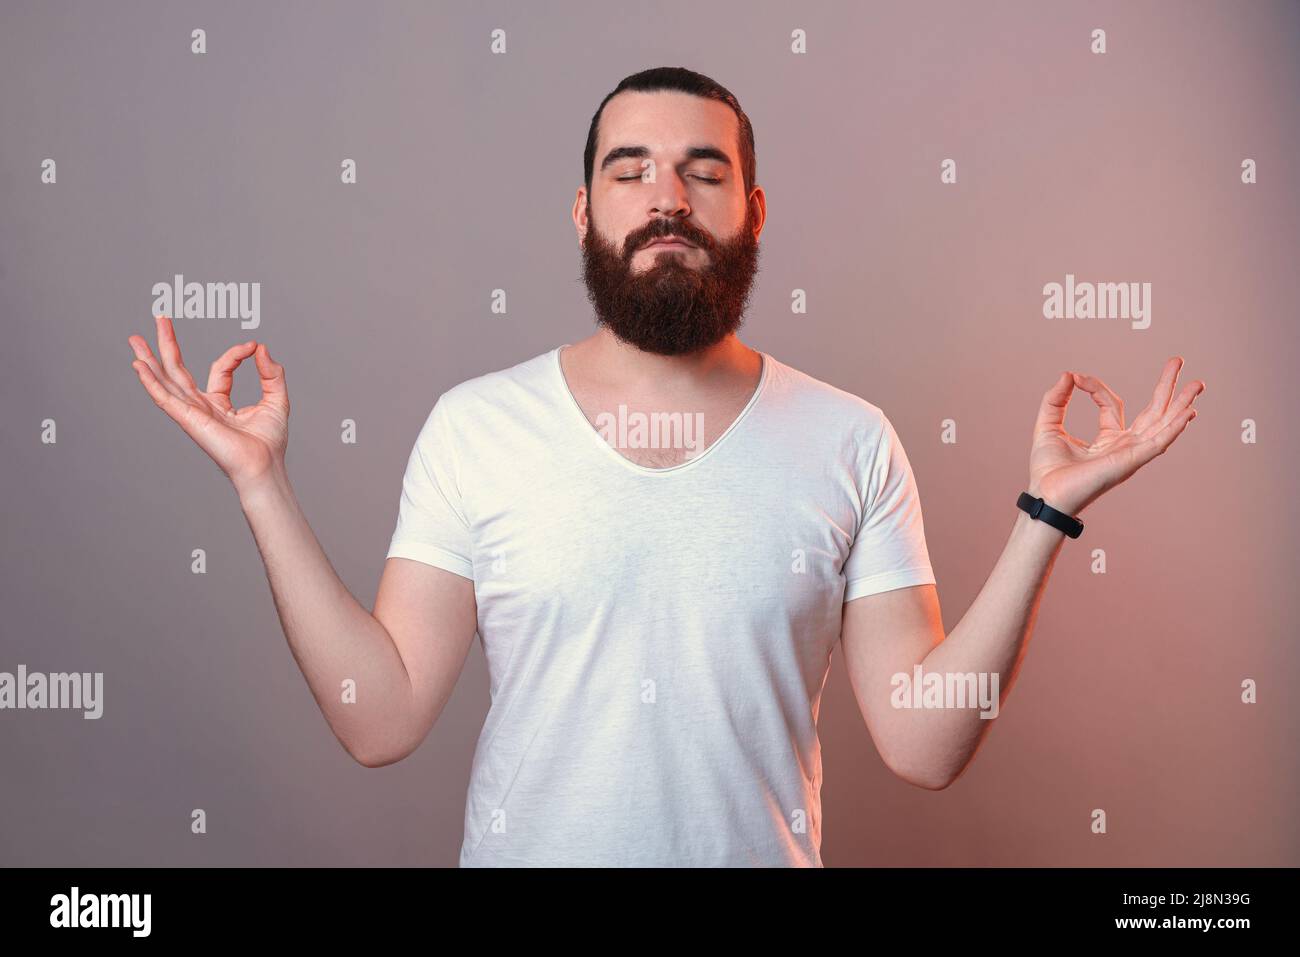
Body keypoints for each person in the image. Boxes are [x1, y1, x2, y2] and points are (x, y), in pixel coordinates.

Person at [127, 67, 1205, 867]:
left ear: (753, 210)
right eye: (628, 168)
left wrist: (1042, 518)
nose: (667, 197)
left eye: (705, 169)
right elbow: (380, 716)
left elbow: (924, 746)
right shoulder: (476, 427)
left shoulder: (849, 439)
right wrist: (259, 486)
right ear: (586, 211)